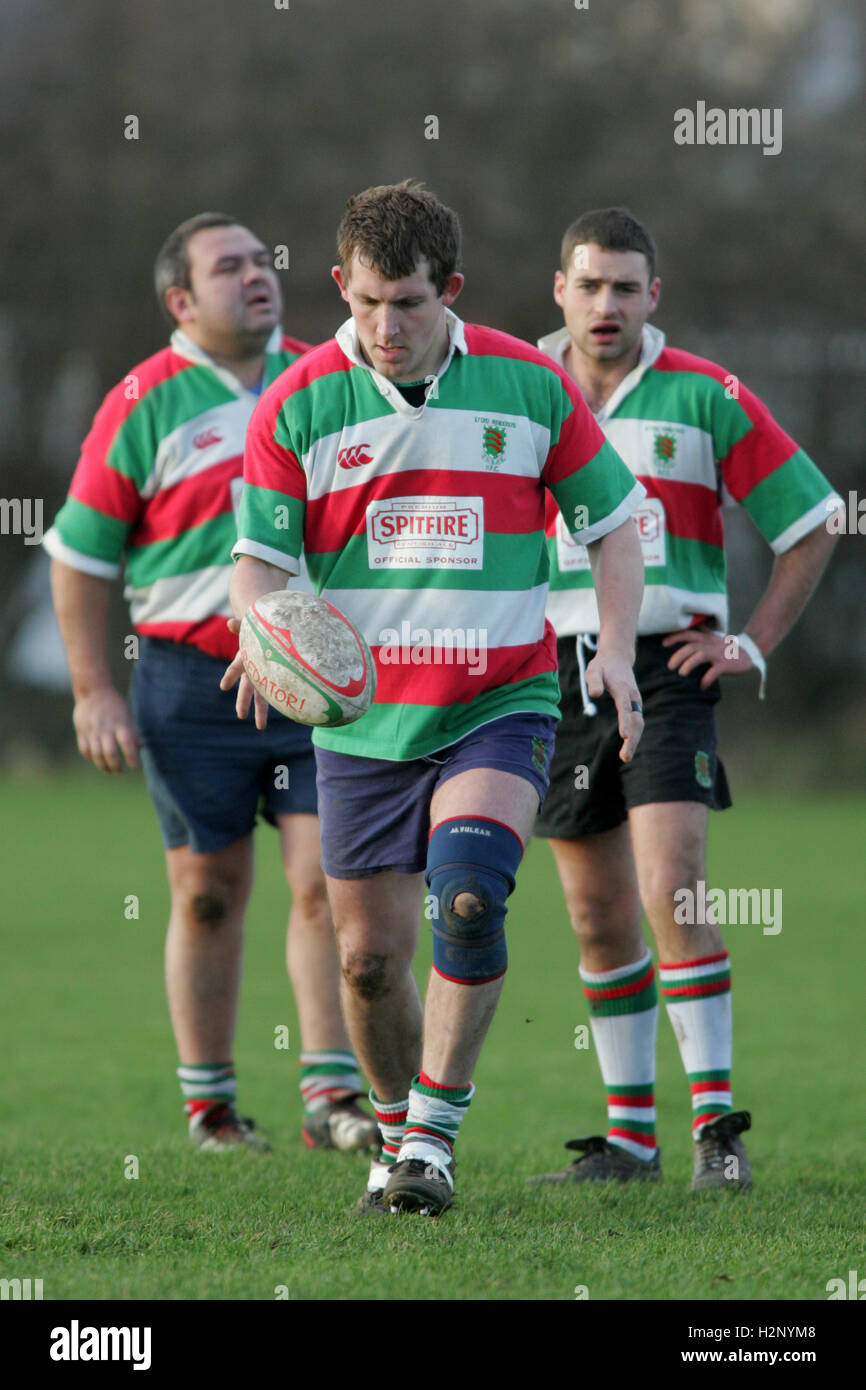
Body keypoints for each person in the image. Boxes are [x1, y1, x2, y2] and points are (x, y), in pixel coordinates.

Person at [224, 180, 646, 1216]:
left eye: (407, 303)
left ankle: (433, 1142)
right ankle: (392, 1123)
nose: (384, 327)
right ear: (340, 285)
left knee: (466, 894)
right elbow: (258, 564)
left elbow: (614, 527)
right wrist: (260, 629)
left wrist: (621, 653)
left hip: (497, 700)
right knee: (366, 962)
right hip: (360, 723)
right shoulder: (298, 404)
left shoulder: (526, 385)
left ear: (448, 290)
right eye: (366, 302)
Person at [44, 212, 377, 1154]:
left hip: (310, 677)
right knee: (206, 892)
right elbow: (78, 556)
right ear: (181, 300)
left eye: (262, 259)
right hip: (189, 679)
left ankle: (333, 1100)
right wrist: (91, 689)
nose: (257, 275)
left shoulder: (329, 376)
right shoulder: (142, 400)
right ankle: (213, 1109)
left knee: (328, 881)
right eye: (227, 267)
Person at [529, 208, 840, 1190]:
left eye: (625, 287)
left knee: (673, 886)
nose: (606, 304)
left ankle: (714, 1126)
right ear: (559, 290)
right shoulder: (517, 388)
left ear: (651, 295)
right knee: (595, 913)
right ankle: (629, 1142)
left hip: (667, 666)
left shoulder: (707, 396)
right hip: (555, 668)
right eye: (589, 285)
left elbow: (814, 517)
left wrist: (747, 639)